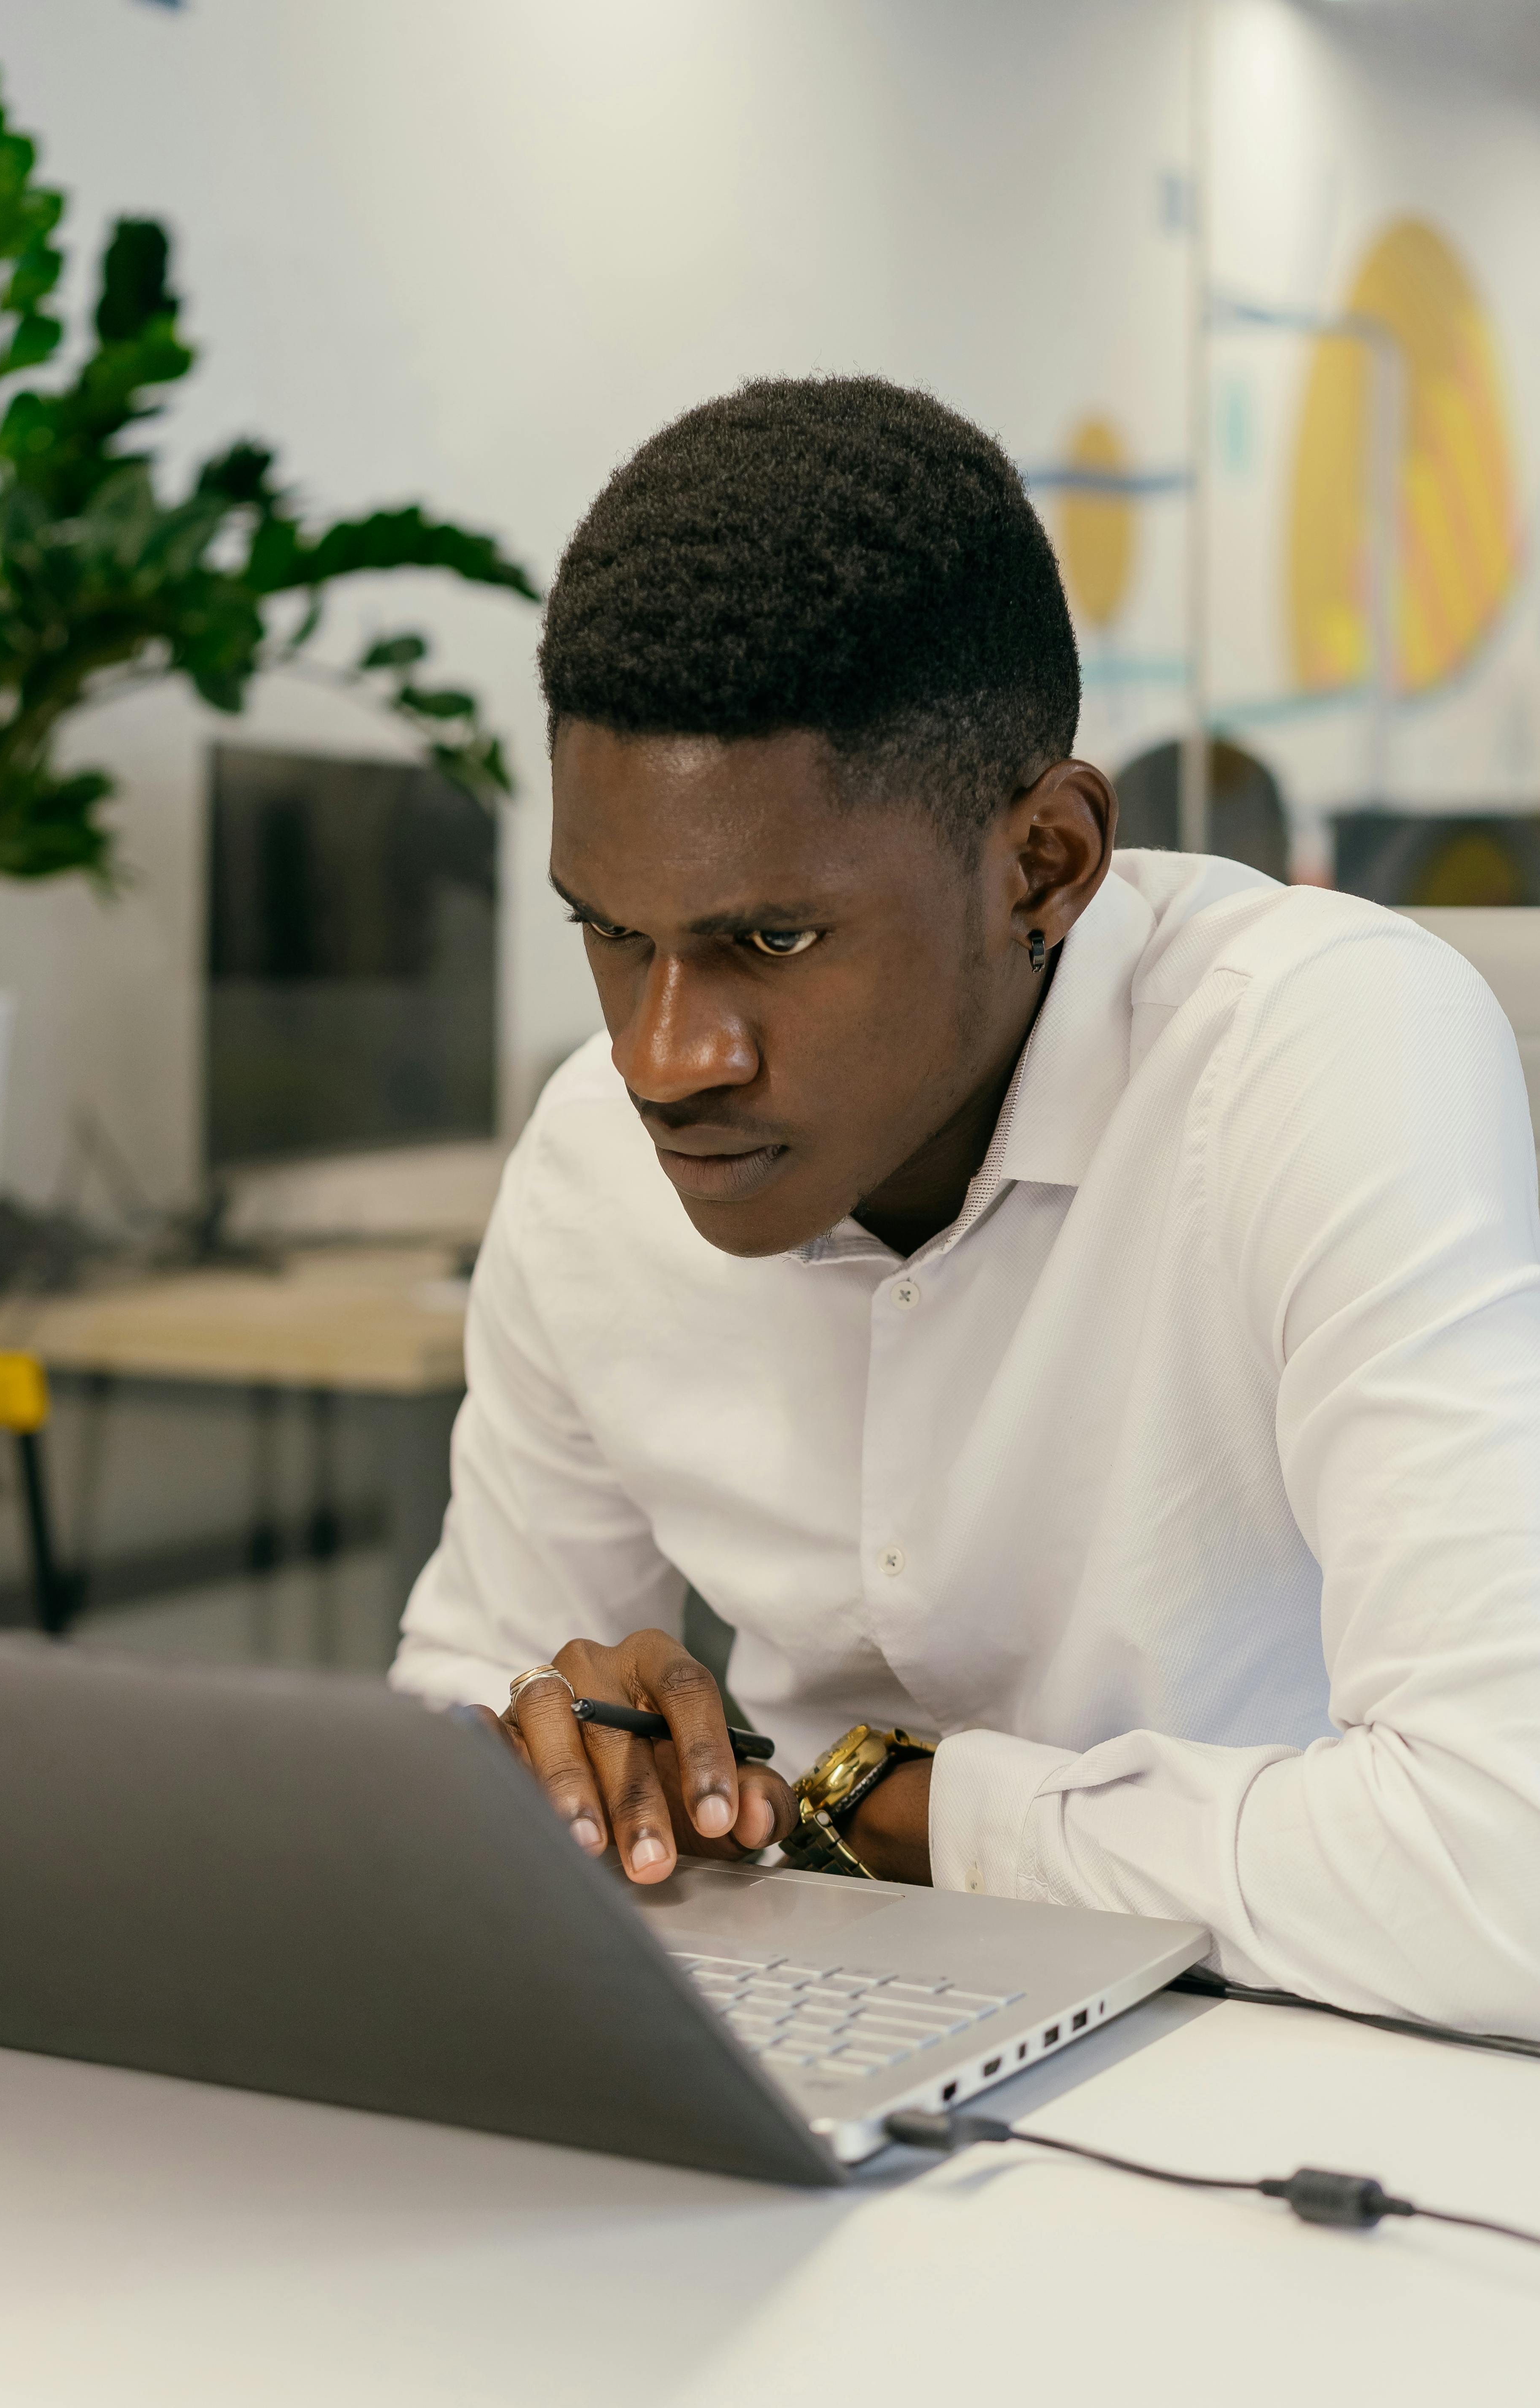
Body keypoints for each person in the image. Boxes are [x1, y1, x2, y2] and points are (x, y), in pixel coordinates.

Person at [393, 375, 1540, 2033]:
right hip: (798, 2013)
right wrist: (555, 1763)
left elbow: (1505, 1865)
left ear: (1045, 864)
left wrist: (905, 1807)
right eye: (612, 933)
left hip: (1302, 2042)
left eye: (769, 941)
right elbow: (453, 1720)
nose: (665, 1056)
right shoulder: (589, 1156)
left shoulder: (1316, 1048)